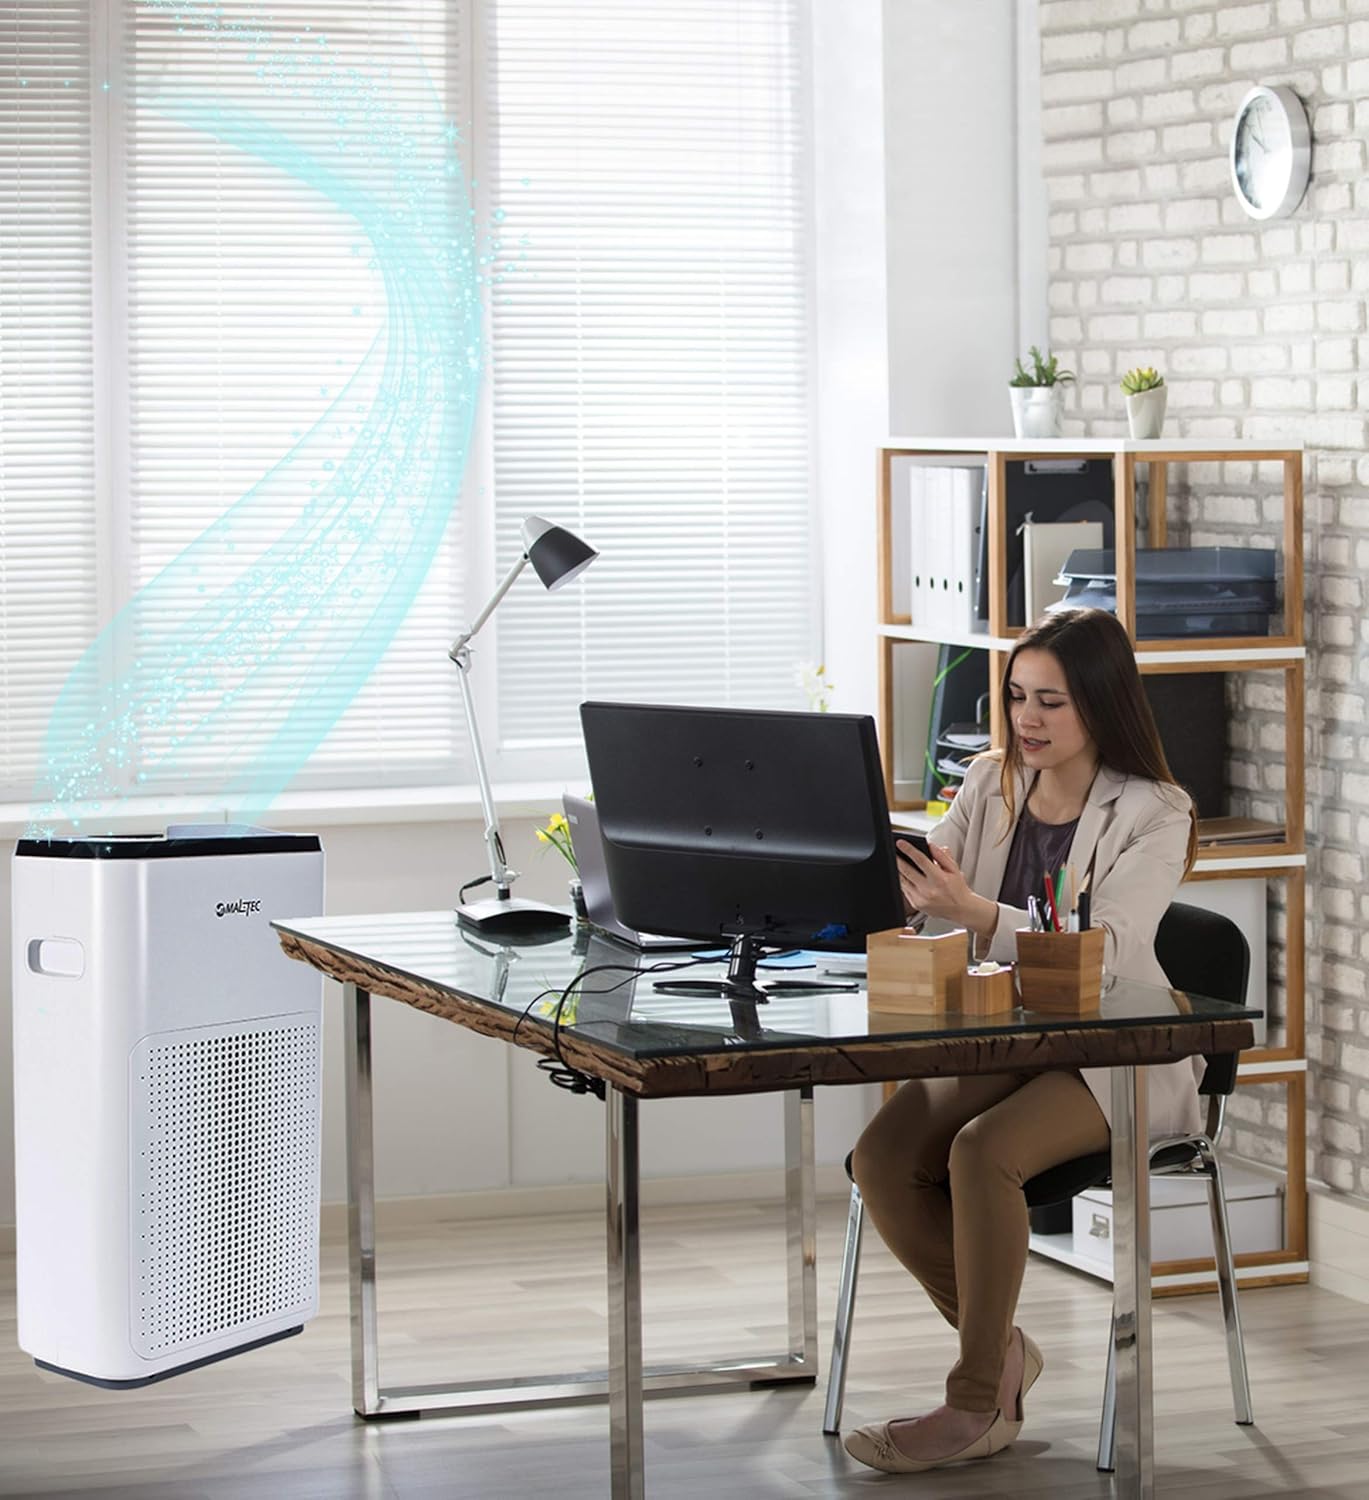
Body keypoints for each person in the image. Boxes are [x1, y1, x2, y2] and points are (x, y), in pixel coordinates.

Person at [844, 607, 1199, 1476]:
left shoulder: (1156, 810)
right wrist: (881, 878)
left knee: (982, 1152)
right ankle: (1000, 1353)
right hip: (1003, 1038)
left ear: (1100, 704)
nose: (1025, 719)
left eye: (1050, 701)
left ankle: (974, 1403)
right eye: (1014, 696)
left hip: (1116, 1051)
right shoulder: (989, 778)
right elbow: (930, 887)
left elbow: (1106, 948)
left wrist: (971, 911)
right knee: (882, 1157)